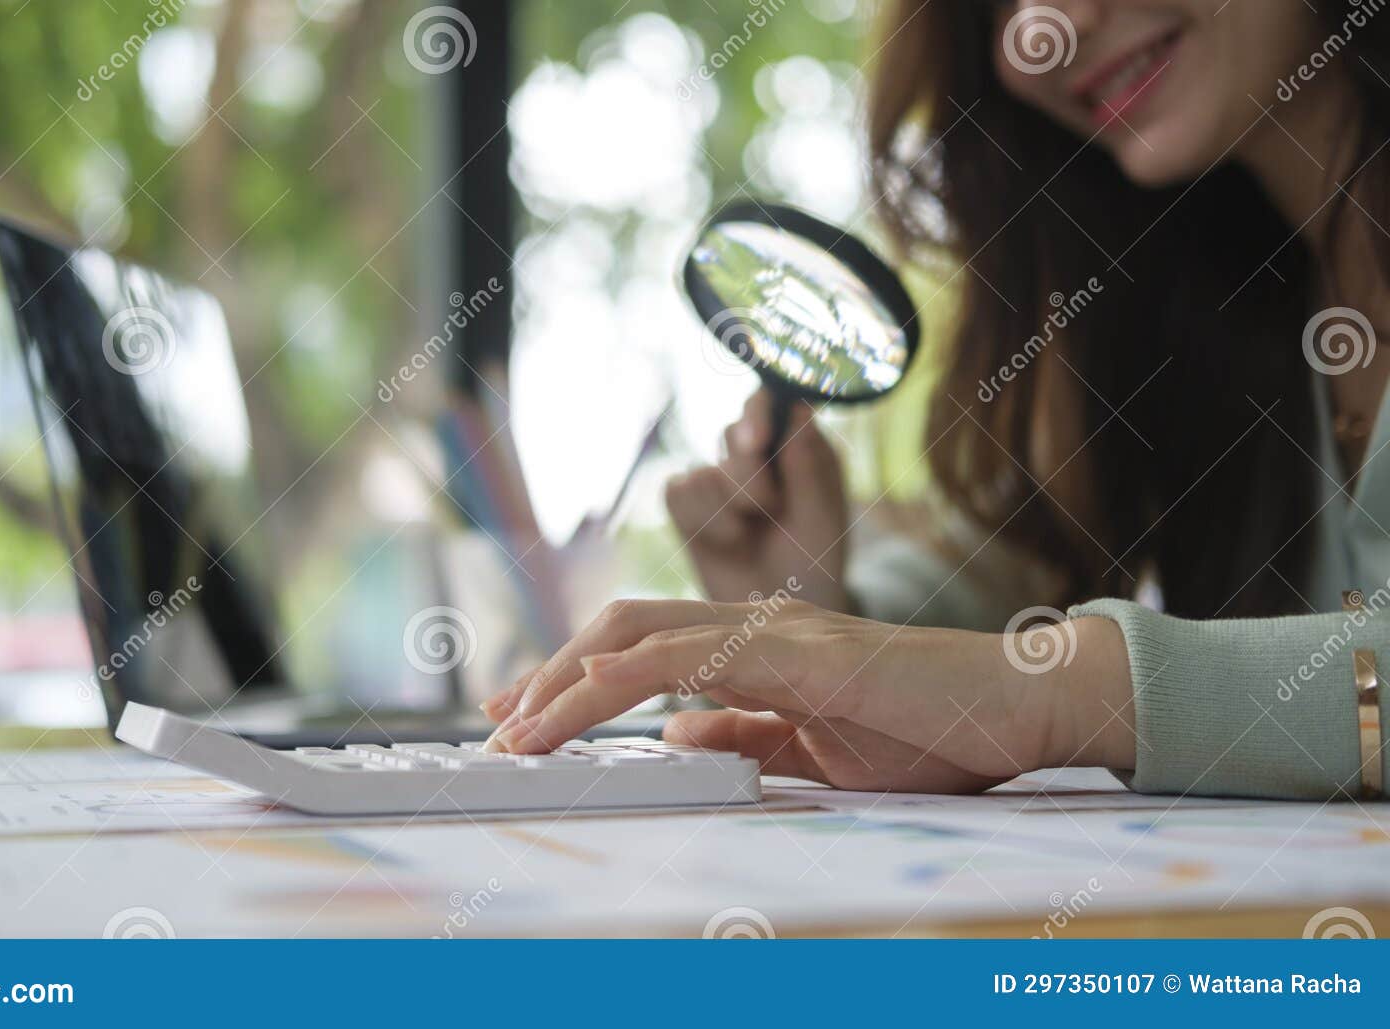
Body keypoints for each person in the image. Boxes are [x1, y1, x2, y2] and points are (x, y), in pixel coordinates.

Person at [482, 0, 1390, 801]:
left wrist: (1063, 693)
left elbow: (1025, 676)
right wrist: (812, 598)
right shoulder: (1208, 318)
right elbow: (1017, 570)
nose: (1048, 25)